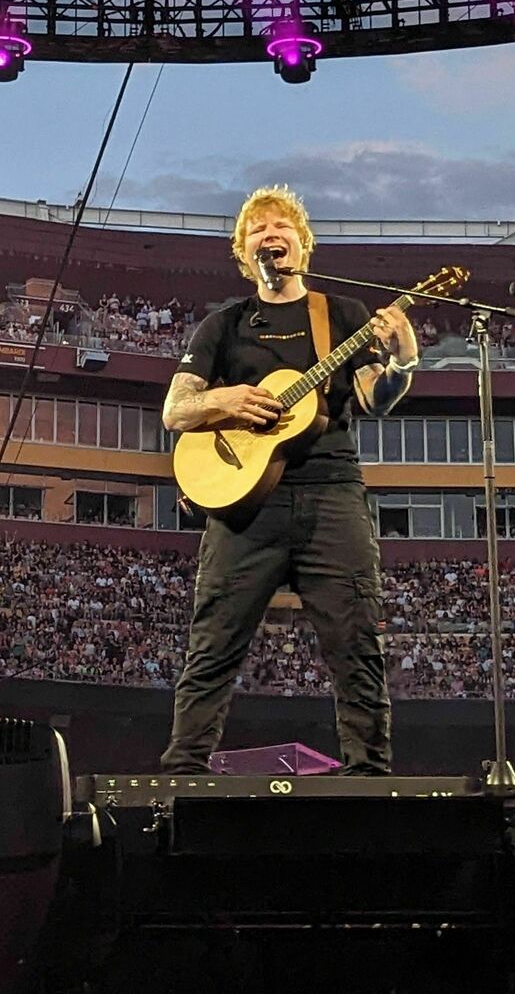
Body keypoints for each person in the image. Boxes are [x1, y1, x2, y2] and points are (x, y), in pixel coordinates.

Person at [159, 185, 419, 775]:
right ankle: (182, 770)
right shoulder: (223, 325)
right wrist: (225, 399)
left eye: (283, 227)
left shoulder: (343, 318)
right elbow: (176, 410)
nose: (270, 234)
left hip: (331, 492)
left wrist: (403, 360)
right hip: (245, 503)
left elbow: (375, 399)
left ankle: (368, 771)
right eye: (257, 229)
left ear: (304, 245)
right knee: (214, 639)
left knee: (355, 637)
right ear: (242, 251)